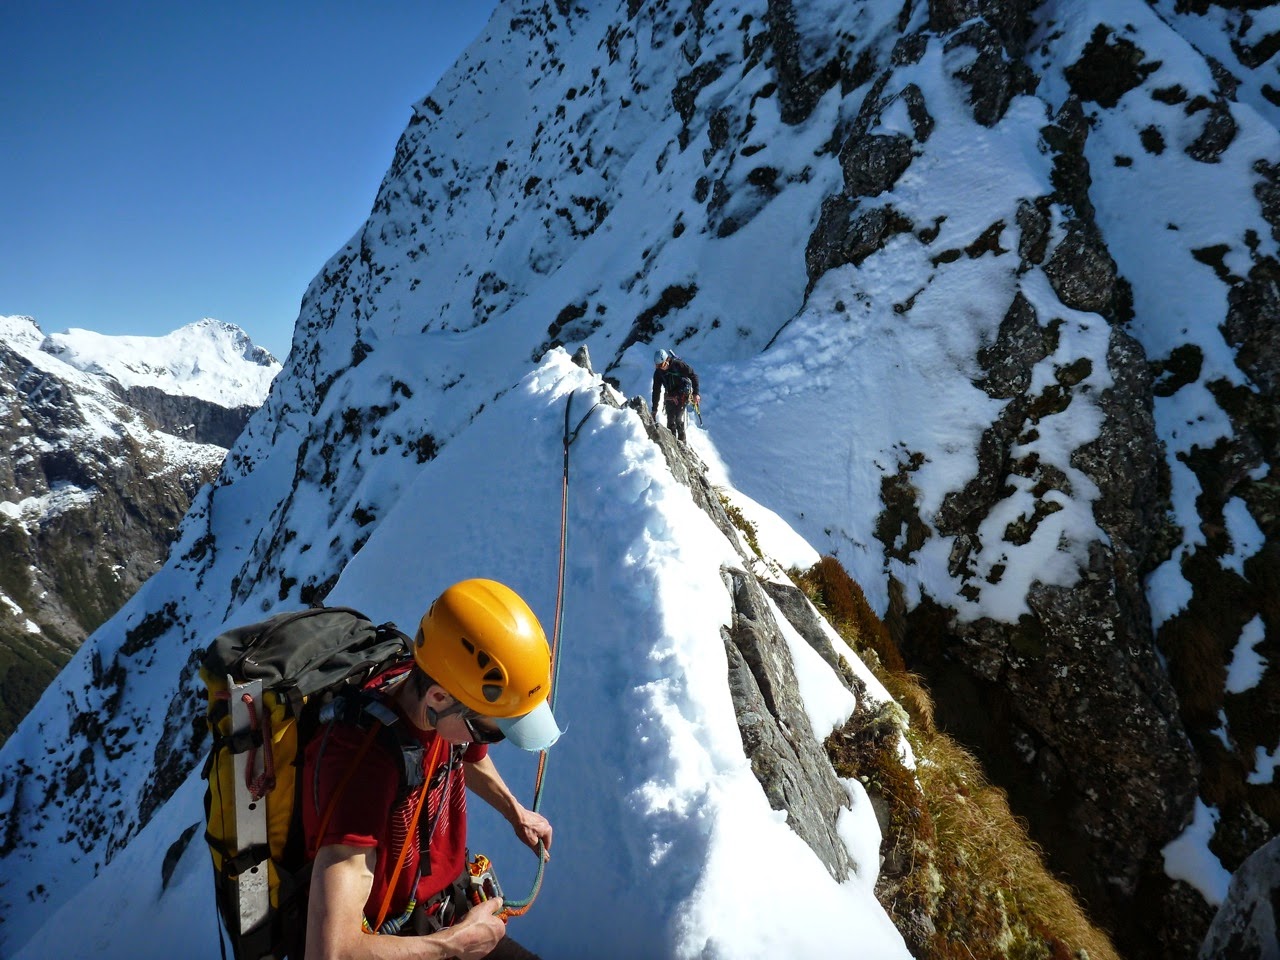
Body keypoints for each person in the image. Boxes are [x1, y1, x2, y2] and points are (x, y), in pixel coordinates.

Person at [303, 578, 561, 960]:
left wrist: (514, 810)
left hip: (447, 909)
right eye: (489, 728)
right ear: (439, 697)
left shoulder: (432, 695)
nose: (485, 741)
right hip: (401, 941)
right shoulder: (362, 770)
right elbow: (331, 951)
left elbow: (466, 753)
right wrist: (453, 944)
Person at [651, 348, 700, 443]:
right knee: (670, 421)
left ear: (666, 361)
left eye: (661, 365)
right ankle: (672, 443)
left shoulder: (678, 365)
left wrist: (696, 393)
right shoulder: (658, 373)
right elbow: (656, 390)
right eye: (657, 366)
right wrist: (654, 409)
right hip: (670, 395)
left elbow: (693, 375)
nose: (660, 368)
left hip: (683, 395)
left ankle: (682, 442)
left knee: (678, 419)